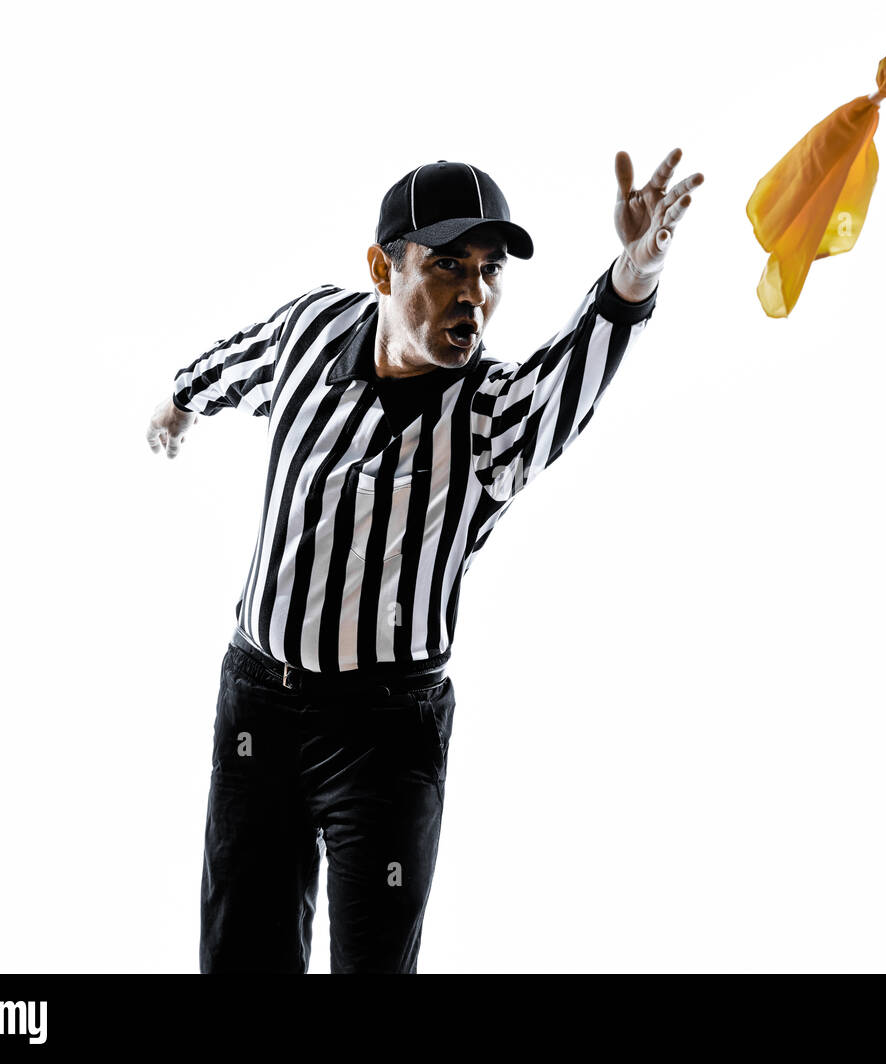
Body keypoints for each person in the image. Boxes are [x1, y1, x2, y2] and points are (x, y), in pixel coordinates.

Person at [145, 150, 704, 973]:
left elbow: (579, 370)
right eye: (447, 266)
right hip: (258, 704)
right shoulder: (313, 333)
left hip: (385, 735)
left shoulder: (491, 418)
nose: (474, 293)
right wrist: (179, 401)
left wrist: (635, 268)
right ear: (382, 267)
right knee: (240, 952)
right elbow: (243, 360)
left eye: (489, 272)